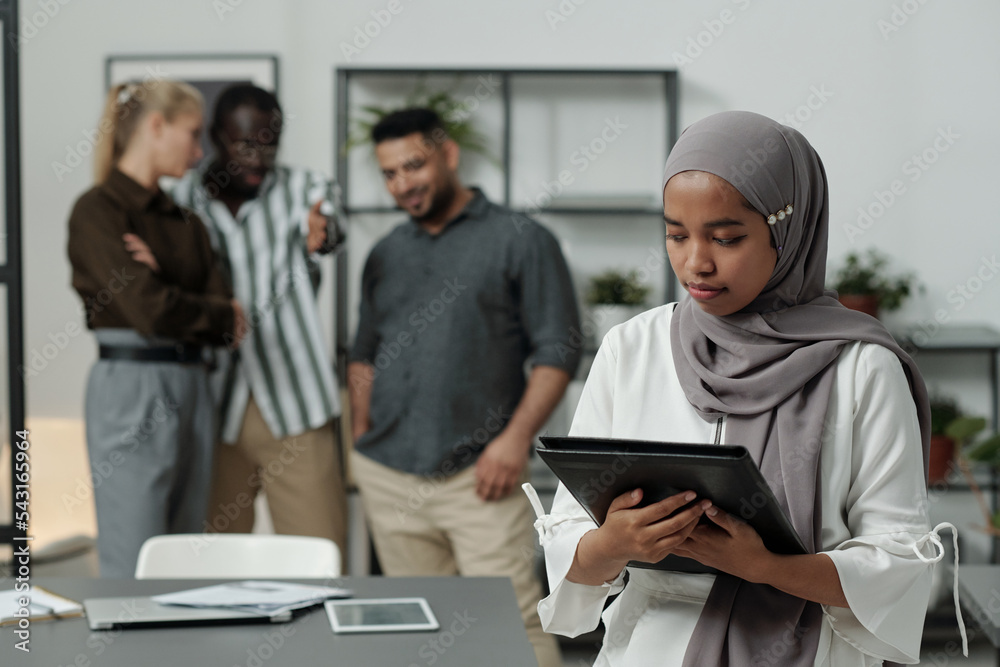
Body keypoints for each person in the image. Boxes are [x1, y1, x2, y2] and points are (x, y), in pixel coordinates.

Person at [530, 110, 964, 665]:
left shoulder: (861, 366)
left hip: (806, 647)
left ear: (789, 230)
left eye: (727, 237)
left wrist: (767, 568)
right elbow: (569, 536)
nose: (696, 263)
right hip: (650, 646)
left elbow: (899, 561)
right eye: (675, 234)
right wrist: (615, 544)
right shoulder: (631, 348)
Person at [348, 107, 580, 667]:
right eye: (390, 174)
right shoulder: (385, 253)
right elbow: (363, 356)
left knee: (512, 622)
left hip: (481, 476)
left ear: (447, 155)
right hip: (389, 475)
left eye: (414, 165)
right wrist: (362, 438)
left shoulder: (522, 239)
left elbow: (558, 351)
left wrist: (513, 441)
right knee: (420, 626)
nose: (403, 184)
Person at [67, 79, 243, 578]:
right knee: (134, 561)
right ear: (156, 126)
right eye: (191, 134)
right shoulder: (95, 211)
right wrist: (207, 309)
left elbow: (229, 324)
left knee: (185, 561)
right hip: (131, 385)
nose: (199, 150)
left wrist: (160, 271)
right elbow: (150, 310)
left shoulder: (188, 223)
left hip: (195, 384)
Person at [164, 84, 348, 555]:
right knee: (210, 565)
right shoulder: (177, 198)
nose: (259, 158)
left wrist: (321, 234)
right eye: (246, 144)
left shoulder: (304, 187)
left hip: (296, 405)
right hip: (212, 405)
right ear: (215, 136)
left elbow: (326, 223)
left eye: (270, 145)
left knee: (320, 557)